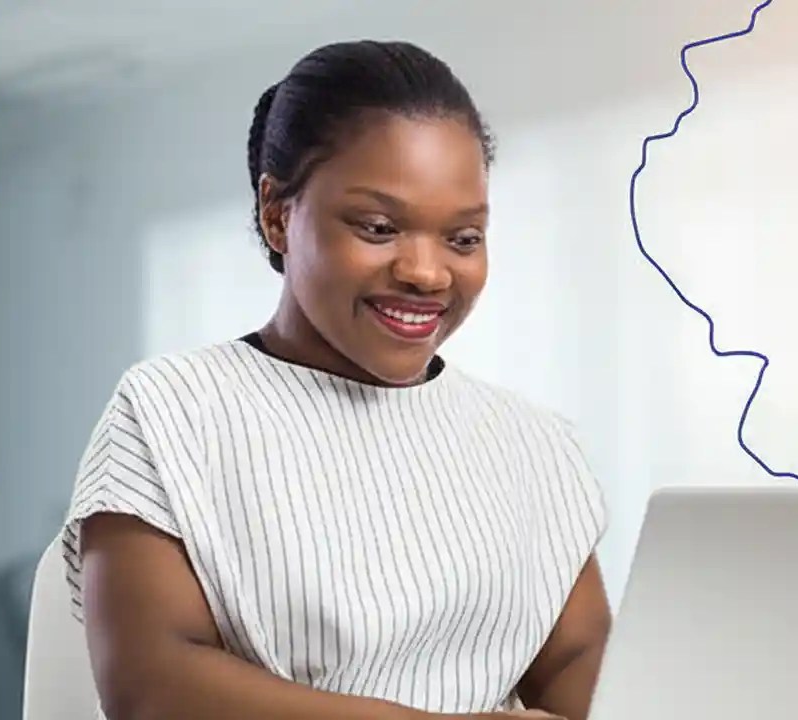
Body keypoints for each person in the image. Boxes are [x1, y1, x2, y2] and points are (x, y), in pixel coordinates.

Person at [61, 39, 610, 720]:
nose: (427, 272)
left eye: (462, 238)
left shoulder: (536, 443)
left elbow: (581, 663)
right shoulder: (172, 412)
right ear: (277, 214)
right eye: (379, 227)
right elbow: (154, 688)